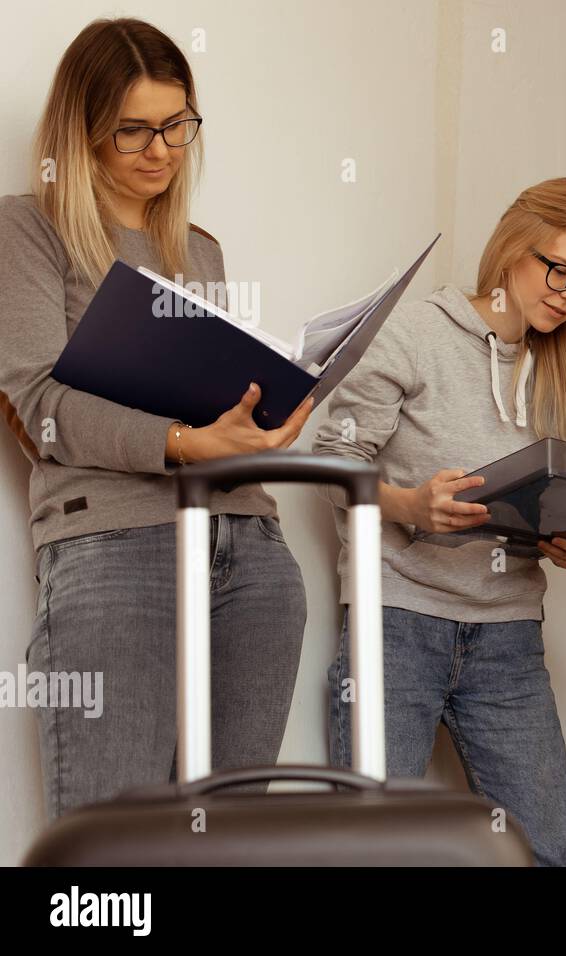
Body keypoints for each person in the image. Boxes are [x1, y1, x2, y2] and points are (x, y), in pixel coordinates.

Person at [0, 19, 314, 818]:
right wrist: (181, 442)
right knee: (113, 850)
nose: (161, 150)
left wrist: (260, 422)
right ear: (82, 131)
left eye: (177, 125)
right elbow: (38, 406)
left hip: (252, 552)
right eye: (132, 130)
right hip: (116, 547)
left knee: (227, 839)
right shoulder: (26, 230)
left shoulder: (200, 250)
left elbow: (209, 399)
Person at [313, 177, 566, 866]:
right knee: (370, 855)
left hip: (508, 636)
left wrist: (559, 540)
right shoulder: (412, 330)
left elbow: (544, 501)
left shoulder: (563, 365)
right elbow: (329, 460)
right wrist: (407, 505)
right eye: (559, 270)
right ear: (514, 246)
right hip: (395, 625)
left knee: (551, 851)